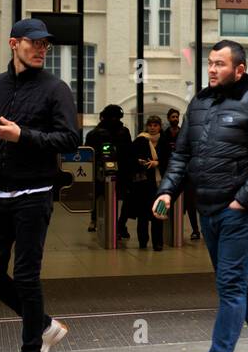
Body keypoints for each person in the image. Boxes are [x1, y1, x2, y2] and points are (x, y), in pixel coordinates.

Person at [156, 40, 248, 352]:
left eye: (220, 64)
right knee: (244, 282)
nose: (212, 69)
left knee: (230, 285)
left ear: (239, 69)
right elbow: (182, 154)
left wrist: (243, 200)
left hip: (239, 213)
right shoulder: (198, 103)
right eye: (210, 63)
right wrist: (167, 190)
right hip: (209, 209)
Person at [0, 18, 79, 352]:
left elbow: (69, 139)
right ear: (14, 43)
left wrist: (23, 136)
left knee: (28, 275)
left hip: (34, 195)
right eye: (33, 43)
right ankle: (46, 325)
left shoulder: (55, 89)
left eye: (45, 45)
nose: (40, 49)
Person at [84, 103, 132, 237]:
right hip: (117, 169)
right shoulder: (122, 132)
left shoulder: (95, 133)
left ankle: (107, 222)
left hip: (105, 169)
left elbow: (89, 152)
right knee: (108, 196)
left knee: (101, 195)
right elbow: (128, 151)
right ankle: (117, 224)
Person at [131, 115, 166, 251]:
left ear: (160, 127)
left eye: (155, 125)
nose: (152, 128)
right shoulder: (140, 140)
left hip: (160, 184)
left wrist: (157, 163)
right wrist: (139, 162)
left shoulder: (164, 141)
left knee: (159, 213)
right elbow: (131, 157)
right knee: (143, 215)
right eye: (150, 125)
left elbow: (169, 159)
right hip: (144, 183)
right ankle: (143, 241)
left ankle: (158, 242)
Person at [164, 107, 199, 240]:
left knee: (191, 203)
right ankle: (164, 228)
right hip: (172, 173)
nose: (175, 119)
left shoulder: (185, 135)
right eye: (173, 117)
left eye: (177, 117)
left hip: (187, 173)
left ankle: (195, 230)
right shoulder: (165, 135)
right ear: (168, 118)